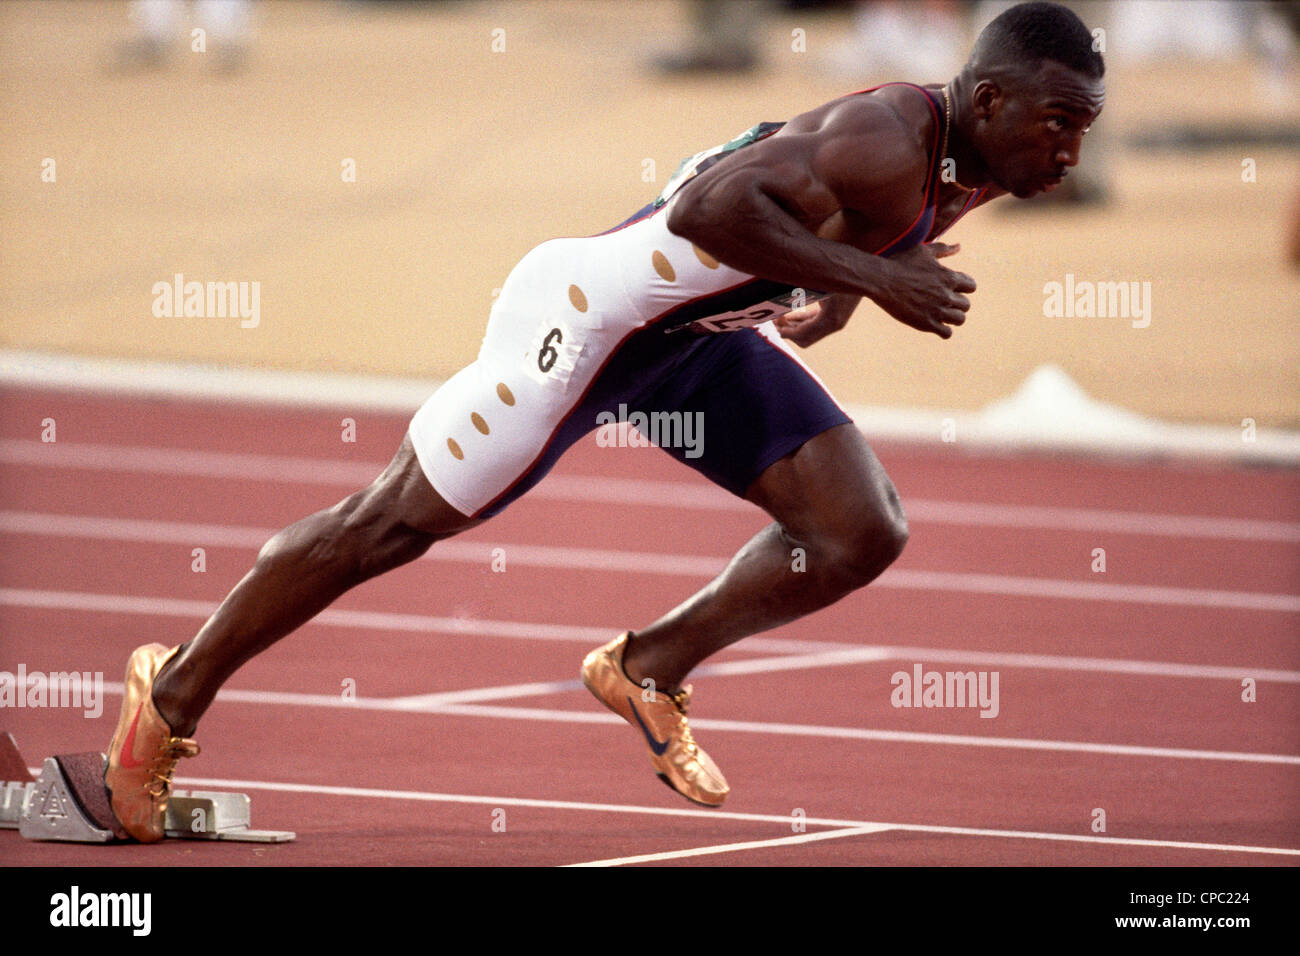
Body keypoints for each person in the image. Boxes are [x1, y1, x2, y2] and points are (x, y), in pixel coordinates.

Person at [104, 1, 1105, 842]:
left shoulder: (970, 161)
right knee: (388, 524)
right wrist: (875, 277)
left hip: (698, 345)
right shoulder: (886, 137)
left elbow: (842, 214)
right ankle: (171, 695)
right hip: (583, 330)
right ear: (988, 100)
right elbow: (706, 213)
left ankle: (647, 665)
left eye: (1084, 129)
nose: (1069, 150)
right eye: (1058, 123)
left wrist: (839, 292)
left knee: (858, 529)